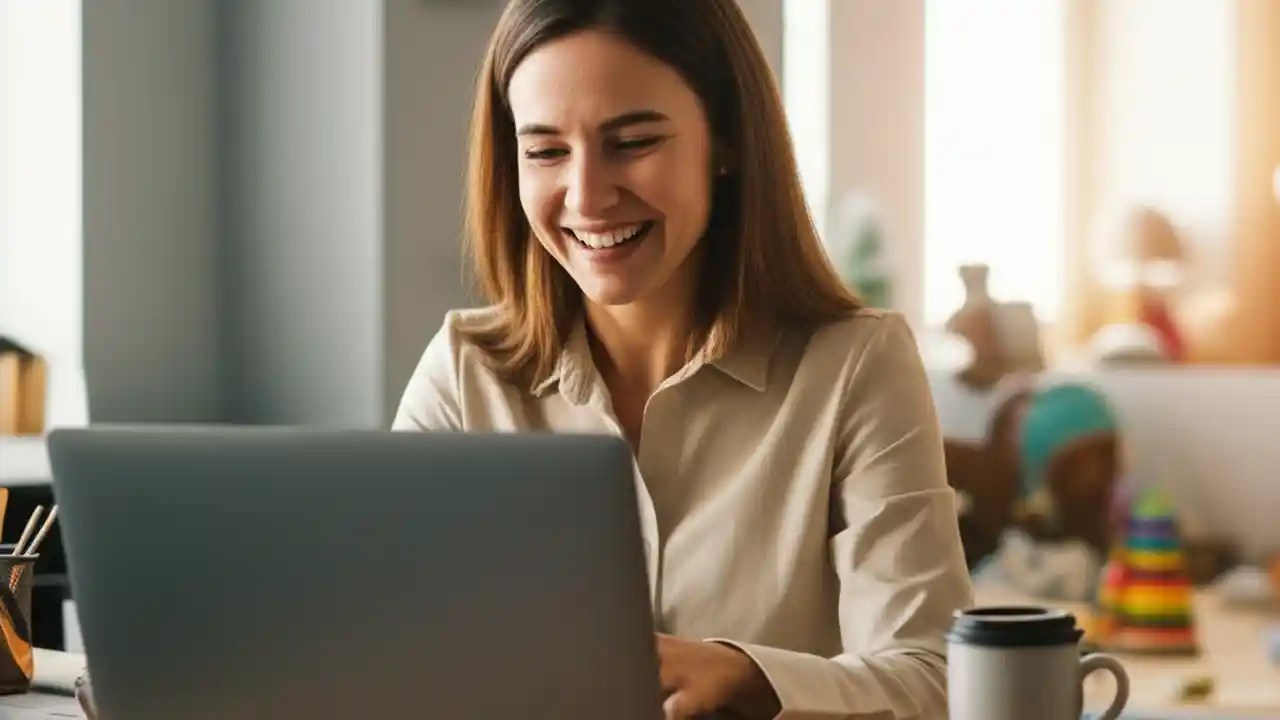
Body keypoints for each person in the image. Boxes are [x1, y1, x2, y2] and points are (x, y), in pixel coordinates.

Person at [393, 1, 972, 717]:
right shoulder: (463, 373)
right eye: (545, 151)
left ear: (725, 140)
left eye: (632, 142)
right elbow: (393, 654)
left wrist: (751, 677)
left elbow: (935, 678)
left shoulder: (857, 365)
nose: (587, 196)